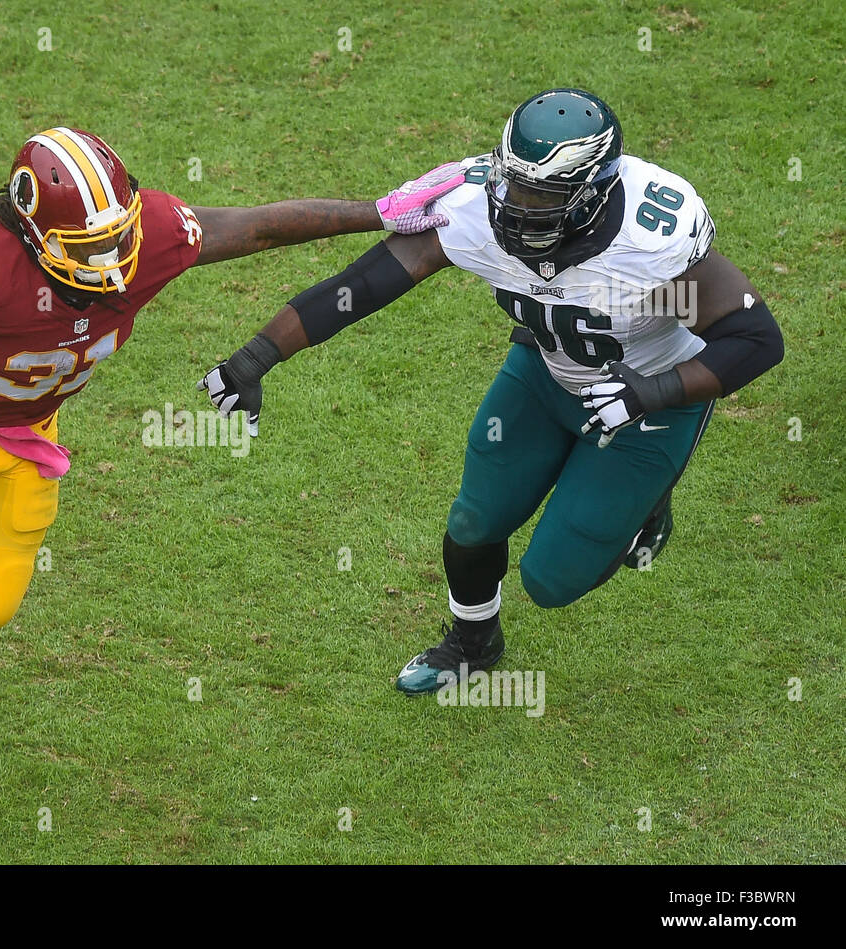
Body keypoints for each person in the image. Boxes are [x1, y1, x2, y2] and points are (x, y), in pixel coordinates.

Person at [0, 126, 454, 764]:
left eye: (117, 237)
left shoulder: (154, 235)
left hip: (22, 438)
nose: (110, 262)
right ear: (31, 233)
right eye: (87, 246)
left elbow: (260, 225)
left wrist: (380, 211)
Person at [200, 90, 784, 694]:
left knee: (552, 581)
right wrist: (257, 357)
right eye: (514, 187)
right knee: (475, 519)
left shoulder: (649, 236)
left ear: (592, 194)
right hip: (546, 370)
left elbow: (755, 338)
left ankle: (649, 503)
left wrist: (652, 392)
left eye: (543, 197)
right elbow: (364, 284)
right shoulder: (478, 207)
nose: (518, 208)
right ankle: (472, 643)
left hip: (648, 397)